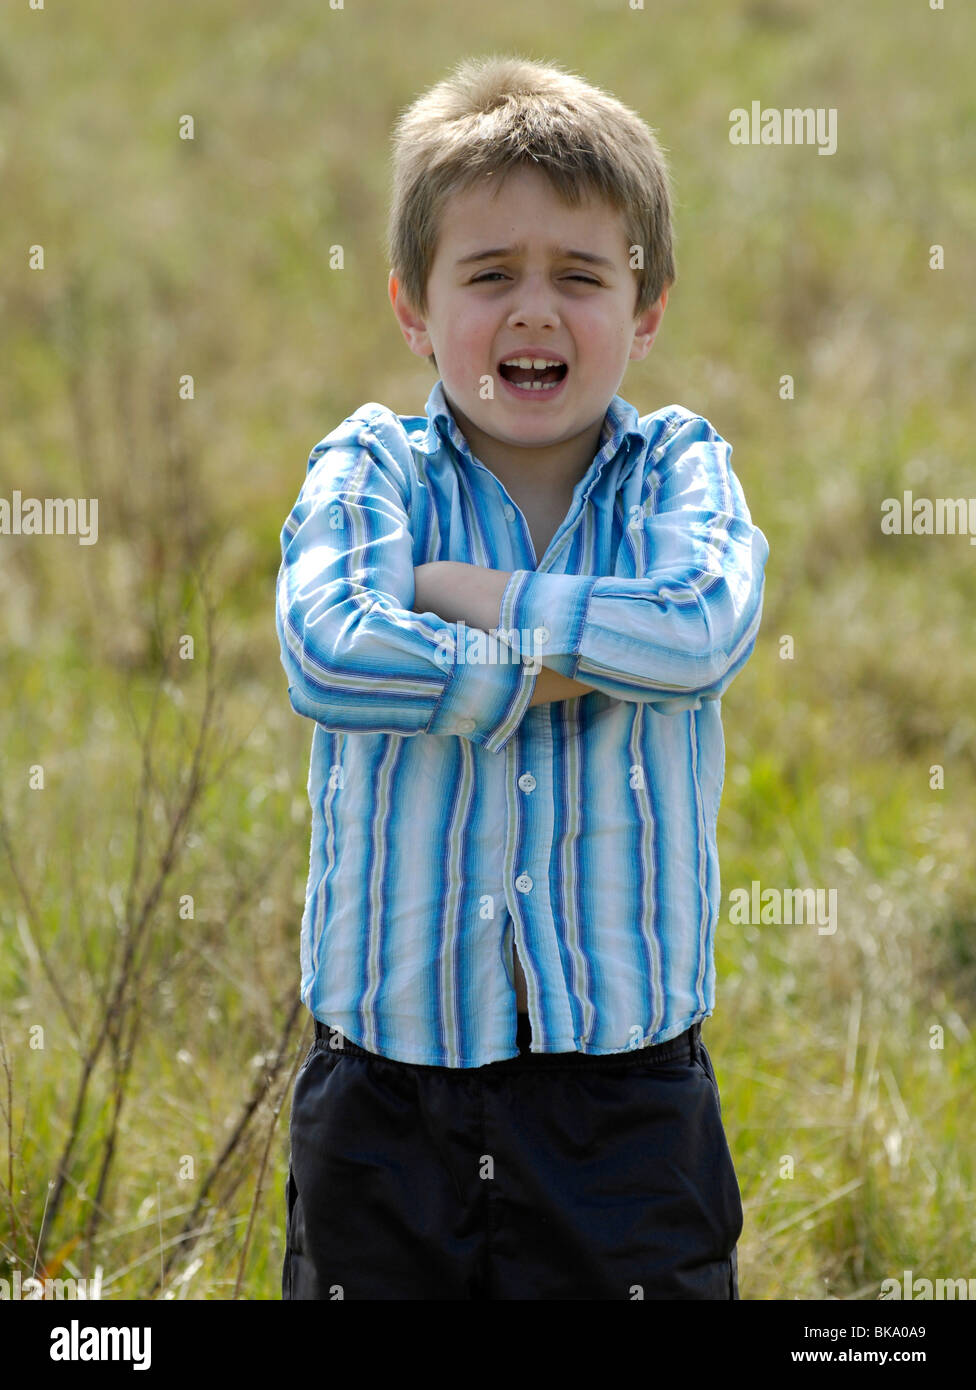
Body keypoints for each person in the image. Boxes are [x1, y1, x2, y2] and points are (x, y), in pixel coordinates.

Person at [275, 53, 769, 1300]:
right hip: (389, 1090)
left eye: (580, 276)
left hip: (626, 1100)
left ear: (646, 307)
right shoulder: (372, 469)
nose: (534, 312)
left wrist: (482, 601)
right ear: (412, 306)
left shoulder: (680, 475)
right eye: (489, 276)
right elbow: (329, 650)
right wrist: (552, 671)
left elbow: (701, 629)